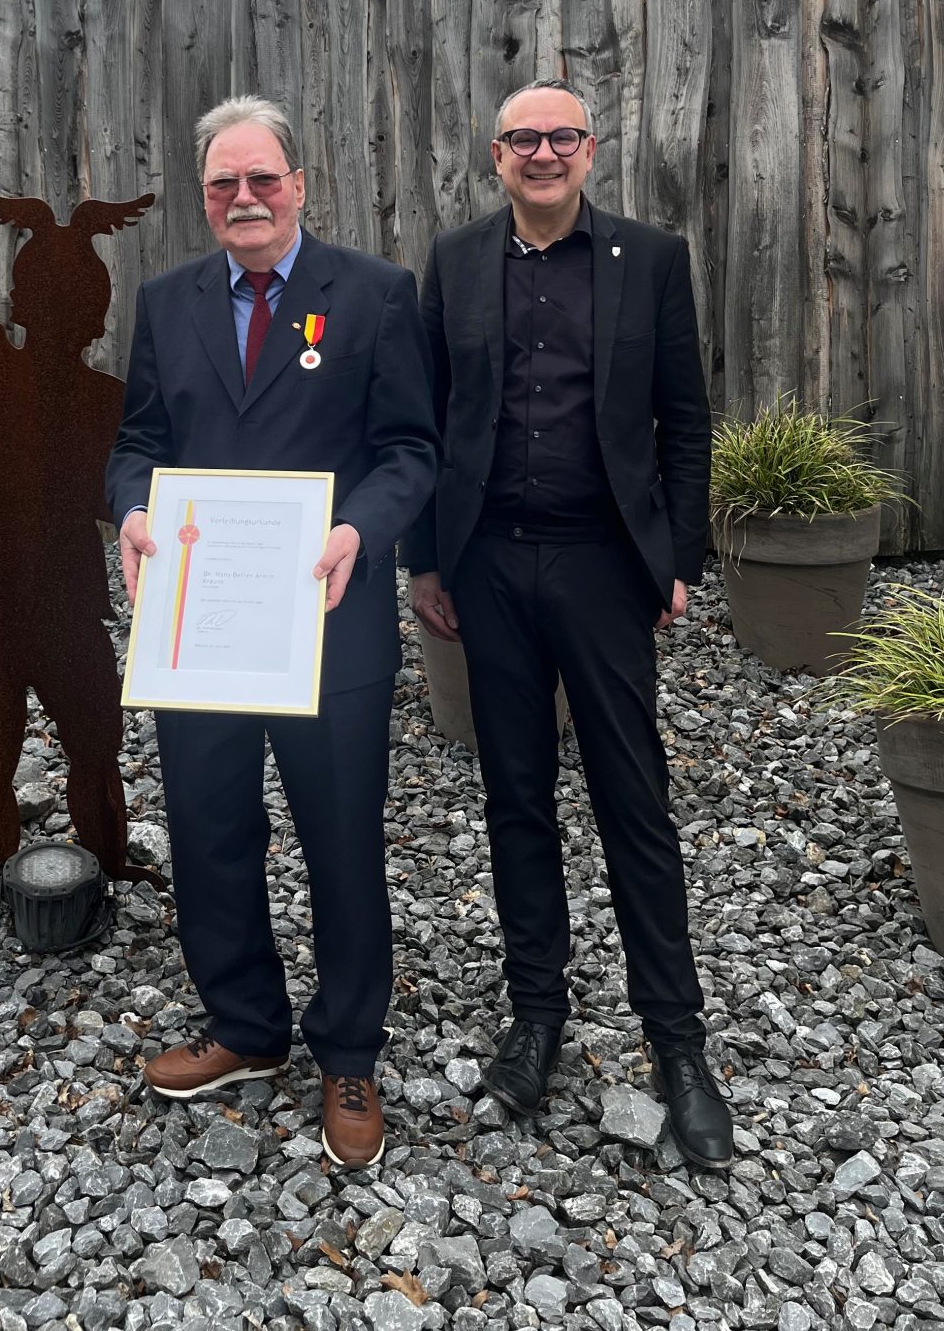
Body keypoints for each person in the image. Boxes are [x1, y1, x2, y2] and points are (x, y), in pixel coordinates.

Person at [406, 80, 733, 1169]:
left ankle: (677, 1042)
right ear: (495, 155)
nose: (542, 152)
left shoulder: (652, 257)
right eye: (522, 138)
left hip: (602, 565)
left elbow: (685, 419)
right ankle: (536, 1013)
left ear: (589, 150)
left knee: (633, 798)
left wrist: (677, 557)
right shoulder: (453, 262)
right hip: (489, 563)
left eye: (561, 135)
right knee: (515, 795)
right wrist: (425, 558)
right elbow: (430, 415)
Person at [108, 95, 437, 1168]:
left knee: (341, 837)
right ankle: (245, 1024)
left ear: (300, 182)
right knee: (208, 829)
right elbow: (139, 441)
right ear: (204, 198)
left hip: (327, 616)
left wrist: (358, 529)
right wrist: (133, 510)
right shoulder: (167, 301)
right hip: (199, 620)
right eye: (222, 185)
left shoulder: (377, 295)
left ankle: (349, 1048)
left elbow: (409, 451)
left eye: (262, 179)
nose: (243, 199)